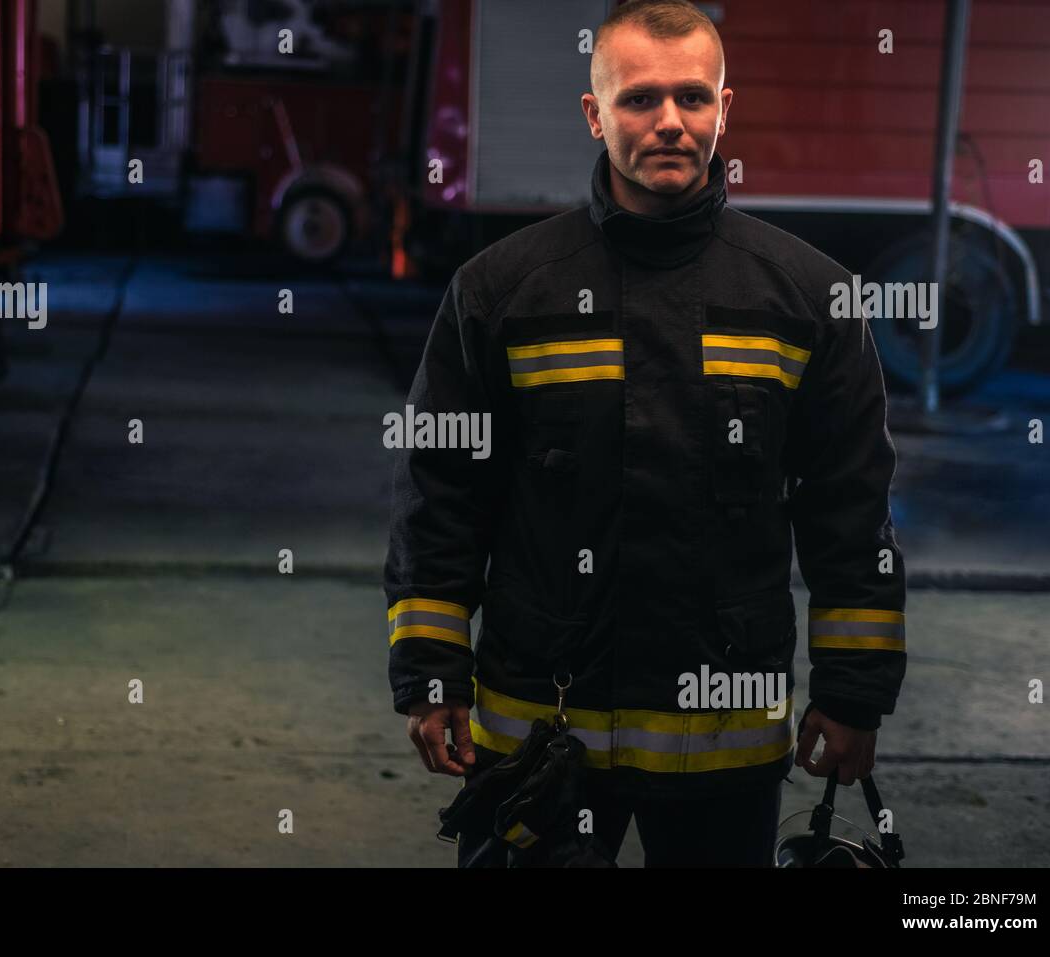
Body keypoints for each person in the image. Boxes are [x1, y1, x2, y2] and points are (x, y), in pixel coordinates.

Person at [384, 0, 906, 867]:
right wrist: (433, 673)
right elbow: (442, 490)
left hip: (725, 741)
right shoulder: (501, 291)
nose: (669, 120)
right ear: (595, 113)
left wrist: (852, 693)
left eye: (693, 98)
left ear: (724, 110)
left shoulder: (810, 297)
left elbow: (849, 511)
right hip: (538, 735)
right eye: (639, 99)